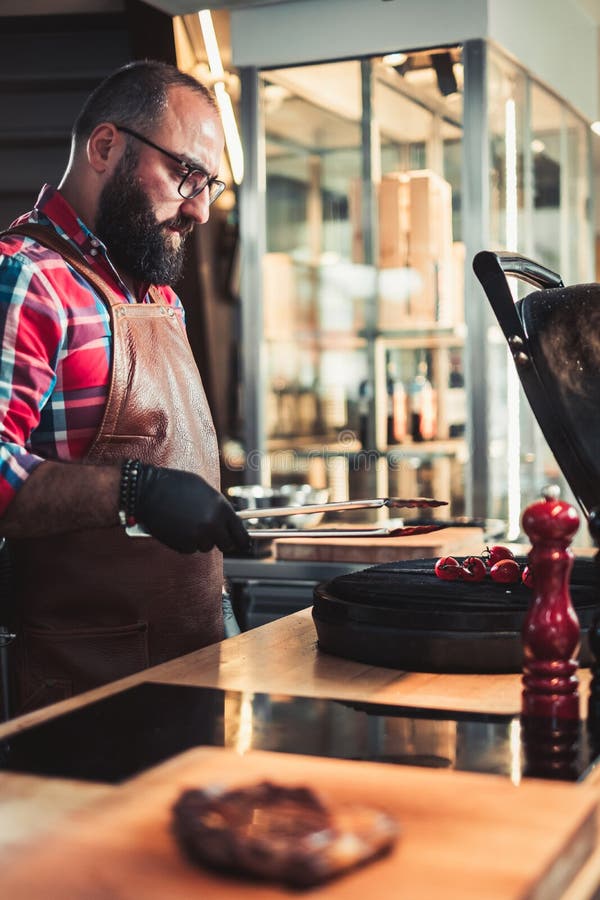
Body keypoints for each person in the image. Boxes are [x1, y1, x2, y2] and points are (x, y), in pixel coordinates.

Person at [0, 60, 250, 715]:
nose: (198, 207)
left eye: (209, 184)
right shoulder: (27, 280)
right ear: (105, 147)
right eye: (185, 174)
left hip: (192, 662)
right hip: (88, 686)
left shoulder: (159, 297)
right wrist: (134, 491)